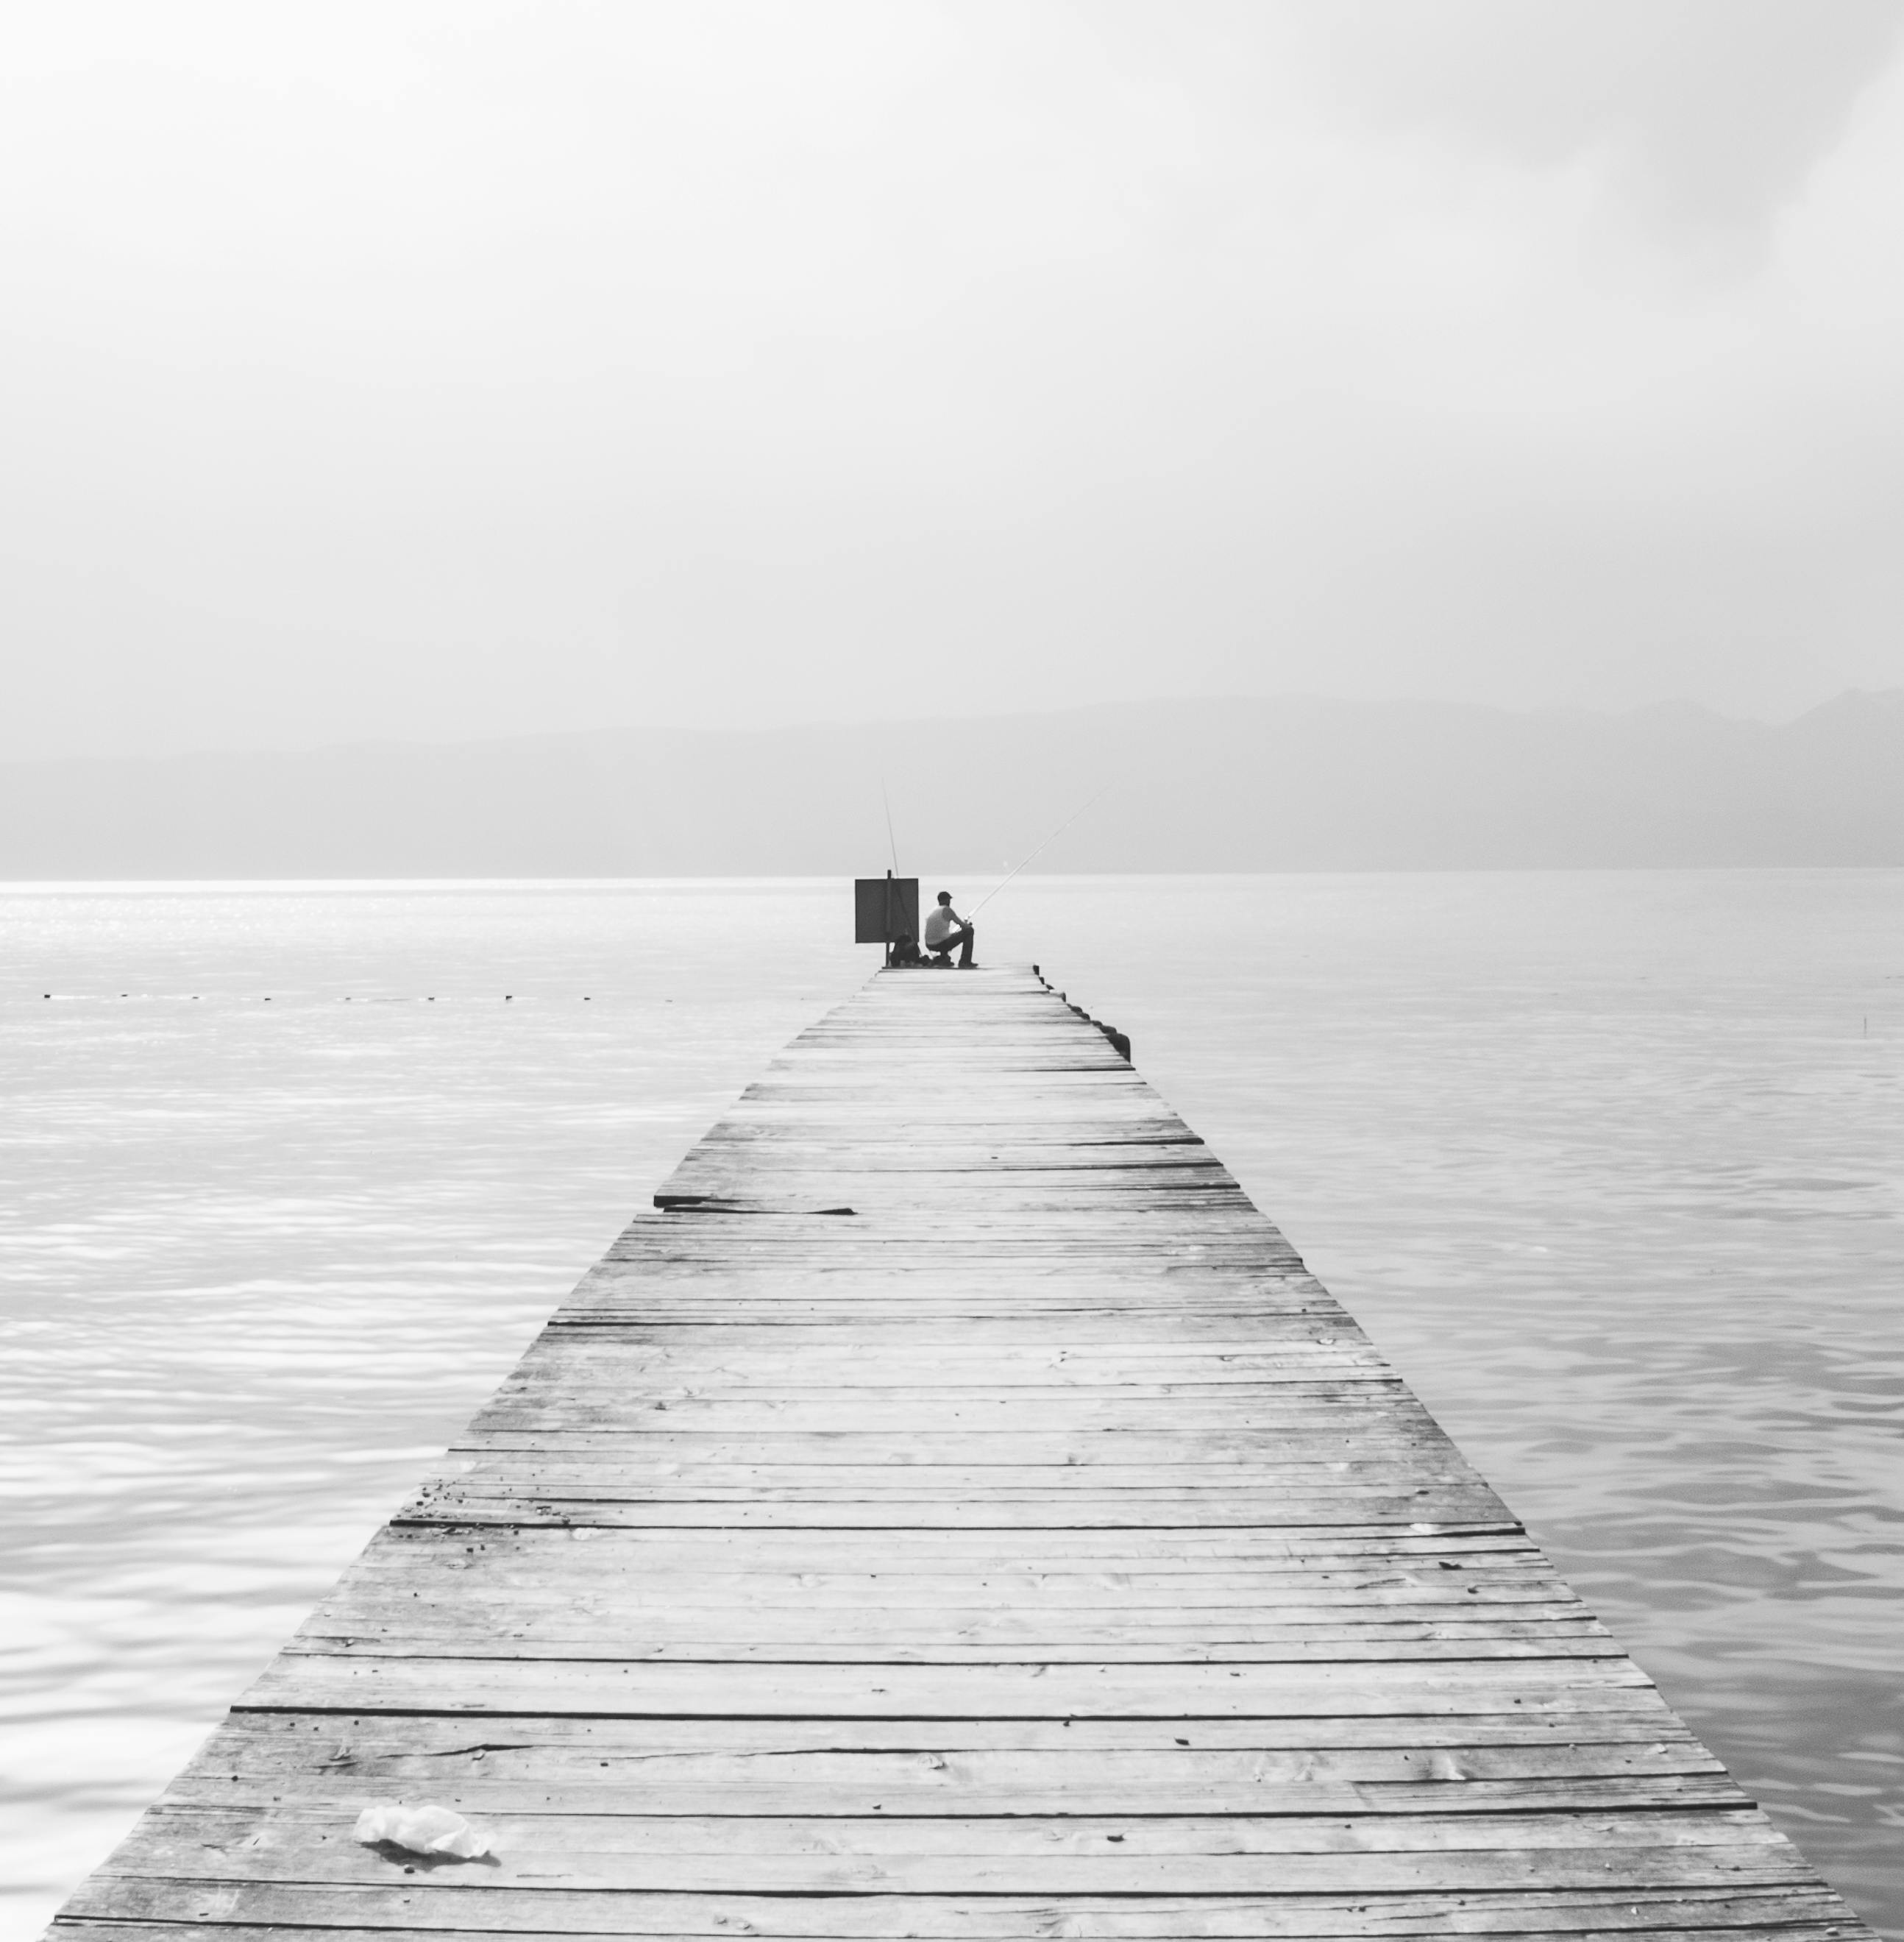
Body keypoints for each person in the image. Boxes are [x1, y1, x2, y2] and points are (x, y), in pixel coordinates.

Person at [922, 890, 976, 968]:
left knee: (945, 936)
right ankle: (965, 961)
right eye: (949, 900)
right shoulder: (947, 910)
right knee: (970, 931)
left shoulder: (933, 910)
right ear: (945, 900)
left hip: (929, 944)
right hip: (941, 943)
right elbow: (963, 926)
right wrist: (968, 926)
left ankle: (943, 958)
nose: (950, 902)